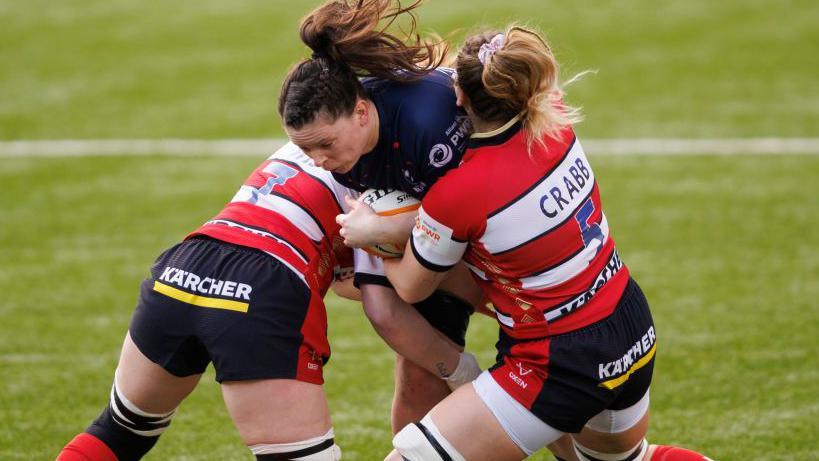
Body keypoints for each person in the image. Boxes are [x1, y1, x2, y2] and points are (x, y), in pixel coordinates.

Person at [344, 25, 714, 461]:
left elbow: (411, 287)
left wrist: (374, 236)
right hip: (629, 324)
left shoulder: (459, 194)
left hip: (556, 359)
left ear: (458, 94)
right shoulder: (555, 120)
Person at [278, 0, 485, 432]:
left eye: (323, 145)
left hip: (496, 236)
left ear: (360, 112)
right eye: (304, 150)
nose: (317, 161)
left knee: (542, 363)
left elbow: (480, 208)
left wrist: (383, 230)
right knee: (404, 350)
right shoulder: (347, 147)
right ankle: (467, 377)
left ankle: (499, 395)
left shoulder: (428, 124)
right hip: (434, 230)